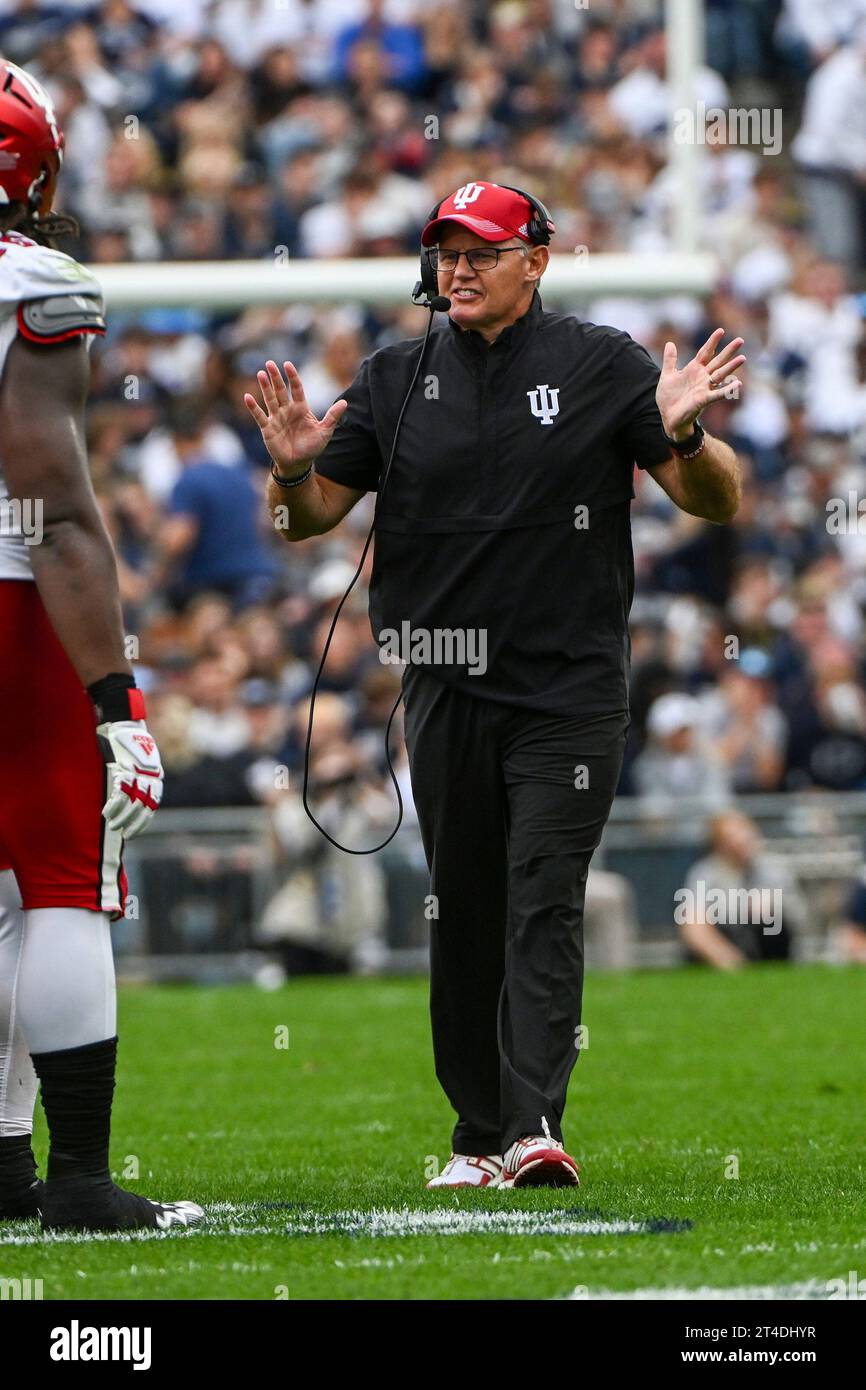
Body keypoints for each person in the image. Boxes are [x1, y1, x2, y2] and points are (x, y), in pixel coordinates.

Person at [246, 179, 744, 1190]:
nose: (457, 268)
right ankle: (476, 1135)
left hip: (565, 687)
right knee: (462, 903)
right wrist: (295, 472)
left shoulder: (601, 364)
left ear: (536, 259)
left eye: (479, 250)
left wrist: (684, 433)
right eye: (444, 251)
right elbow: (303, 519)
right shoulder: (390, 378)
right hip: (438, 682)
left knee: (541, 894)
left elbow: (714, 499)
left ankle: (531, 1126)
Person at [0, 62, 202, 1233]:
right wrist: (114, 695)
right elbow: (56, 515)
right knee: (66, 878)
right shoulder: (36, 283)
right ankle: (77, 1172)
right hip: (14, 604)